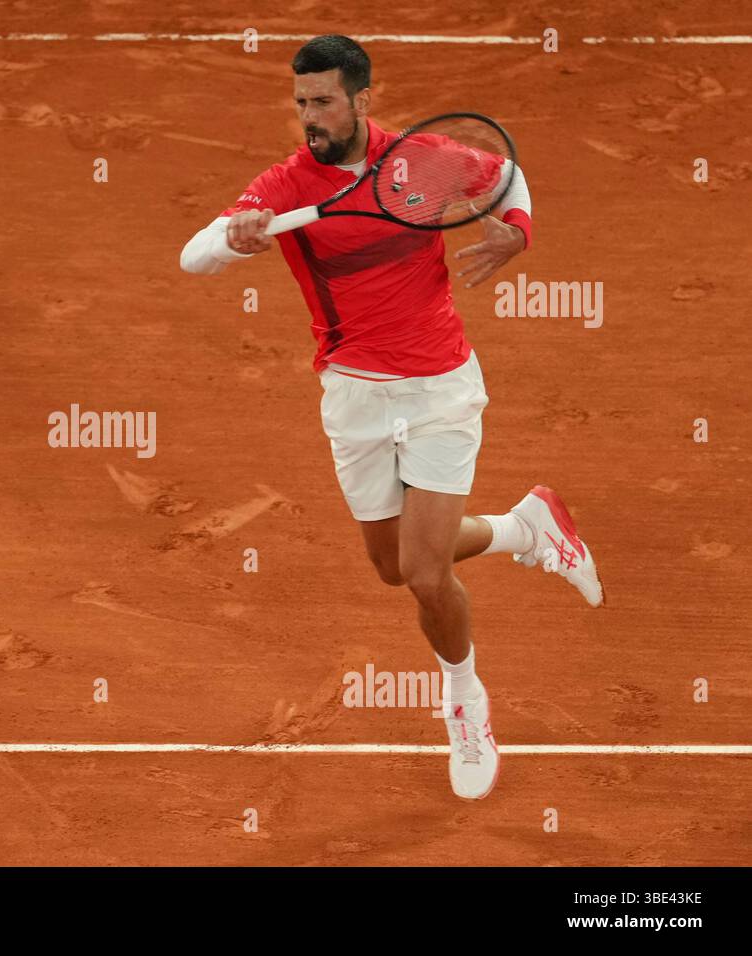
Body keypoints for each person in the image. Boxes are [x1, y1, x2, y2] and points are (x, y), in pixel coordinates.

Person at [179, 34, 604, 800]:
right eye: (301, 102)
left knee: (423, 572)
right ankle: (525, 529)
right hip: (353, 396)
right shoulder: (284, 184)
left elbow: (510, 177)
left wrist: (518, 233)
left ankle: (465, 702)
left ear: (362, 100)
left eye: (323, 101)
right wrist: (235, 235)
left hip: (441, 389)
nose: (309, 116)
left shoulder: (424, 160)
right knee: (388, 566)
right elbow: (194, 258)